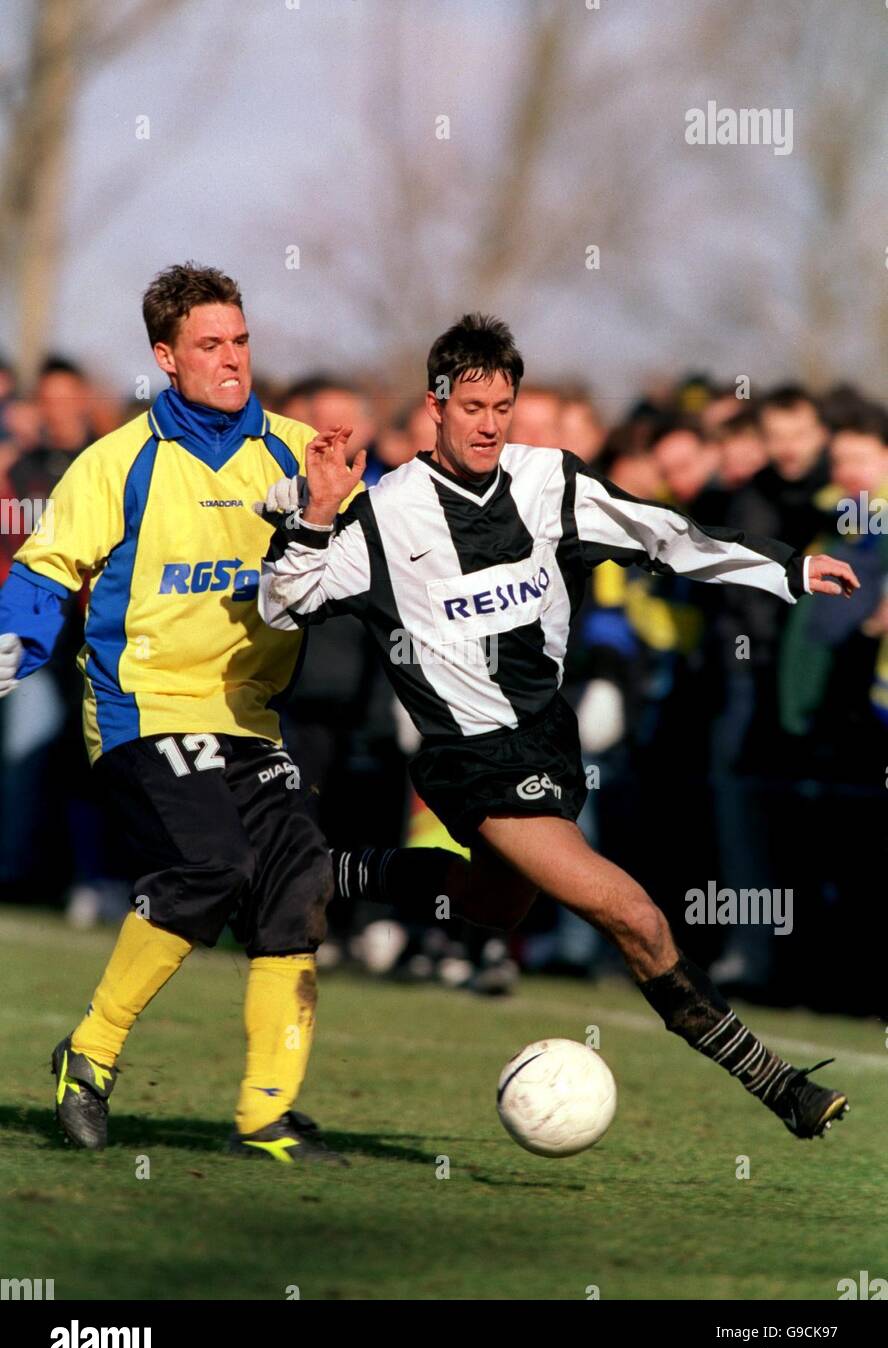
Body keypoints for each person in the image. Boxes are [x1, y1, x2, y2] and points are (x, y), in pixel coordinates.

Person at [259, 313, 859, 1141]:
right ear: (435, 403)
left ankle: (329, 873)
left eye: (502, 405)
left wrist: (784, 566)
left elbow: (662, 533)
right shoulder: (386, 512)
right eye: (472, 406)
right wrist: (316, 517)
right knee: (633, 913)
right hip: (469, 759)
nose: (490, 423)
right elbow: (283, 605)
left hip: (548, 739)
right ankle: (778, 1085)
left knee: (496, 904)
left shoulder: (551, 481)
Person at [0, 262, 354, 1165]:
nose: (233, 359)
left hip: (251, 717)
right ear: (165, 356)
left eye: (240, 340)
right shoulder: (115, 462)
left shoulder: (302, 453)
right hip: (141, 710)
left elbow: (391, 551)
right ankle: (92, 1053)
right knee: (209, 862)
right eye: (209, 345)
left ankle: (264, 1119)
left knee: (295, 884)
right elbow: (42, 582)